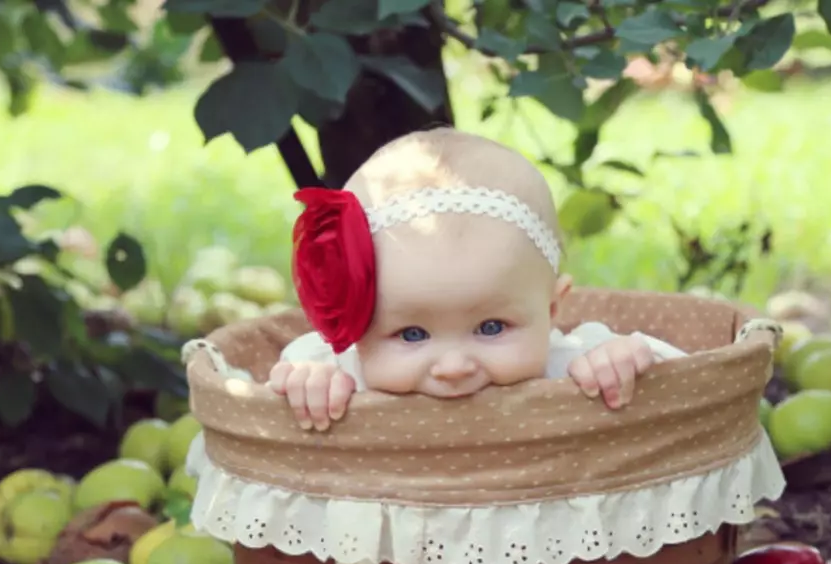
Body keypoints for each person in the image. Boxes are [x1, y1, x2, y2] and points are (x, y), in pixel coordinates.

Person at [269, 126, 688, 431]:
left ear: (552, 308)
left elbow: (691, 384)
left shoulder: (572, 367)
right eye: (412, 334)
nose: (453, 367)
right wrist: (308, 381)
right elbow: (293, 375)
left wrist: (624, 361)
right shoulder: (346, 375)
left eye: (491, 327)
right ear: (355, 331)